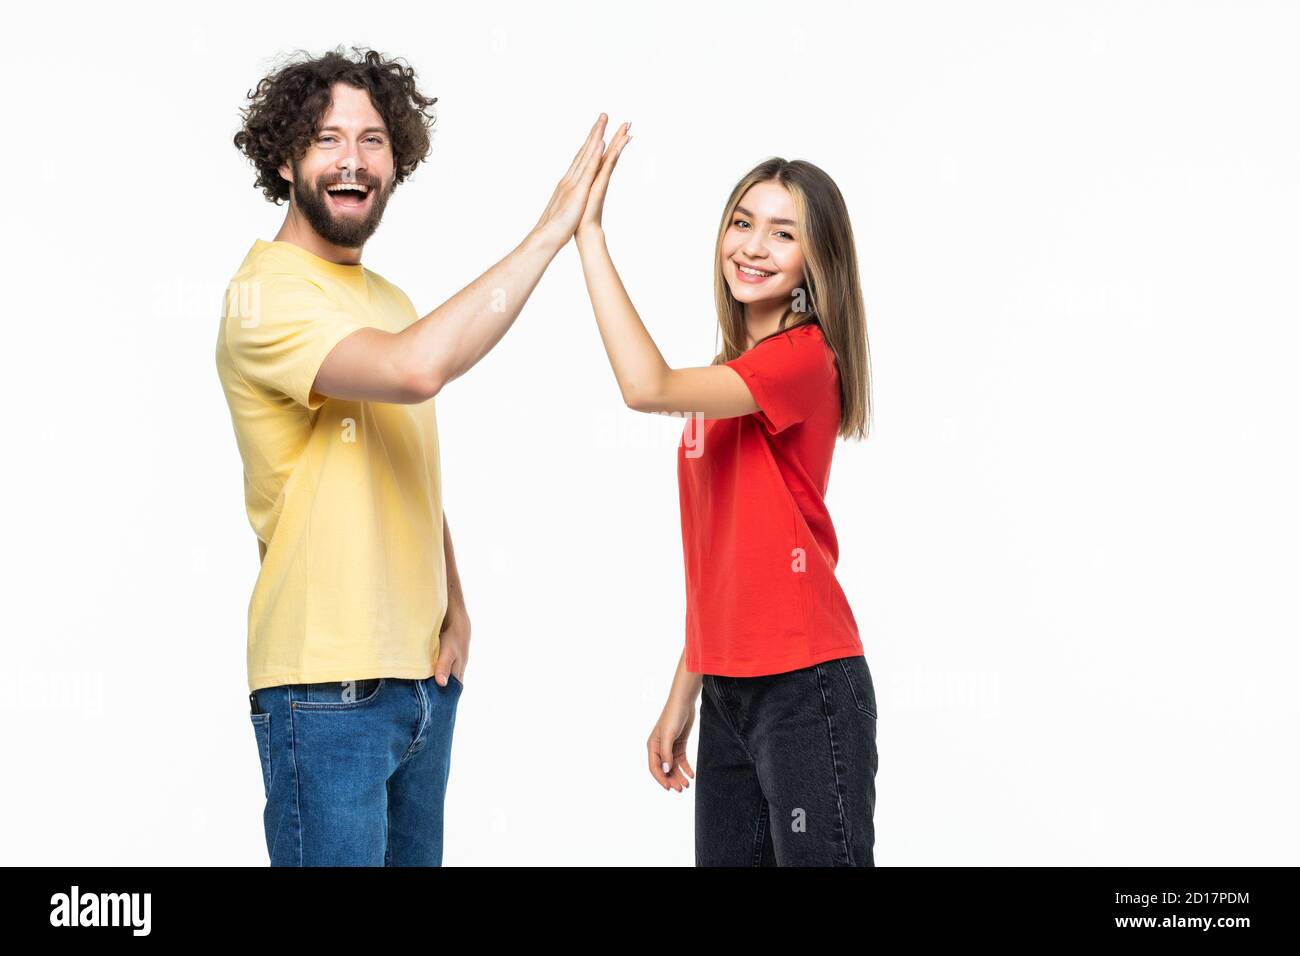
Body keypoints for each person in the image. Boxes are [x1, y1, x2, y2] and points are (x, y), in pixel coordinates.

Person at [215, 45, 610, 865]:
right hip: (326, 694)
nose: (352, 161)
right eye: (326, 139)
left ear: (397, 160)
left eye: (372, 140)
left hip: (419, 688)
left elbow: (407, 472)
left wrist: (454, 606)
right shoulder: (265, 295)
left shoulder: (389, 300)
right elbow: (416, 368)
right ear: (284, 160)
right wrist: (549, 235)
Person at [573, 122, 880, 865]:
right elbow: (726, 558)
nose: (751, 245)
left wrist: (588, 237)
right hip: (731, 691)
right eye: (742, 223)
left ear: (816, 260)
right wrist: (687, 687)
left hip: (805, 685)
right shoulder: (733, 377)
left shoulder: (802, 360)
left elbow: (646, 387)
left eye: (782, 233)